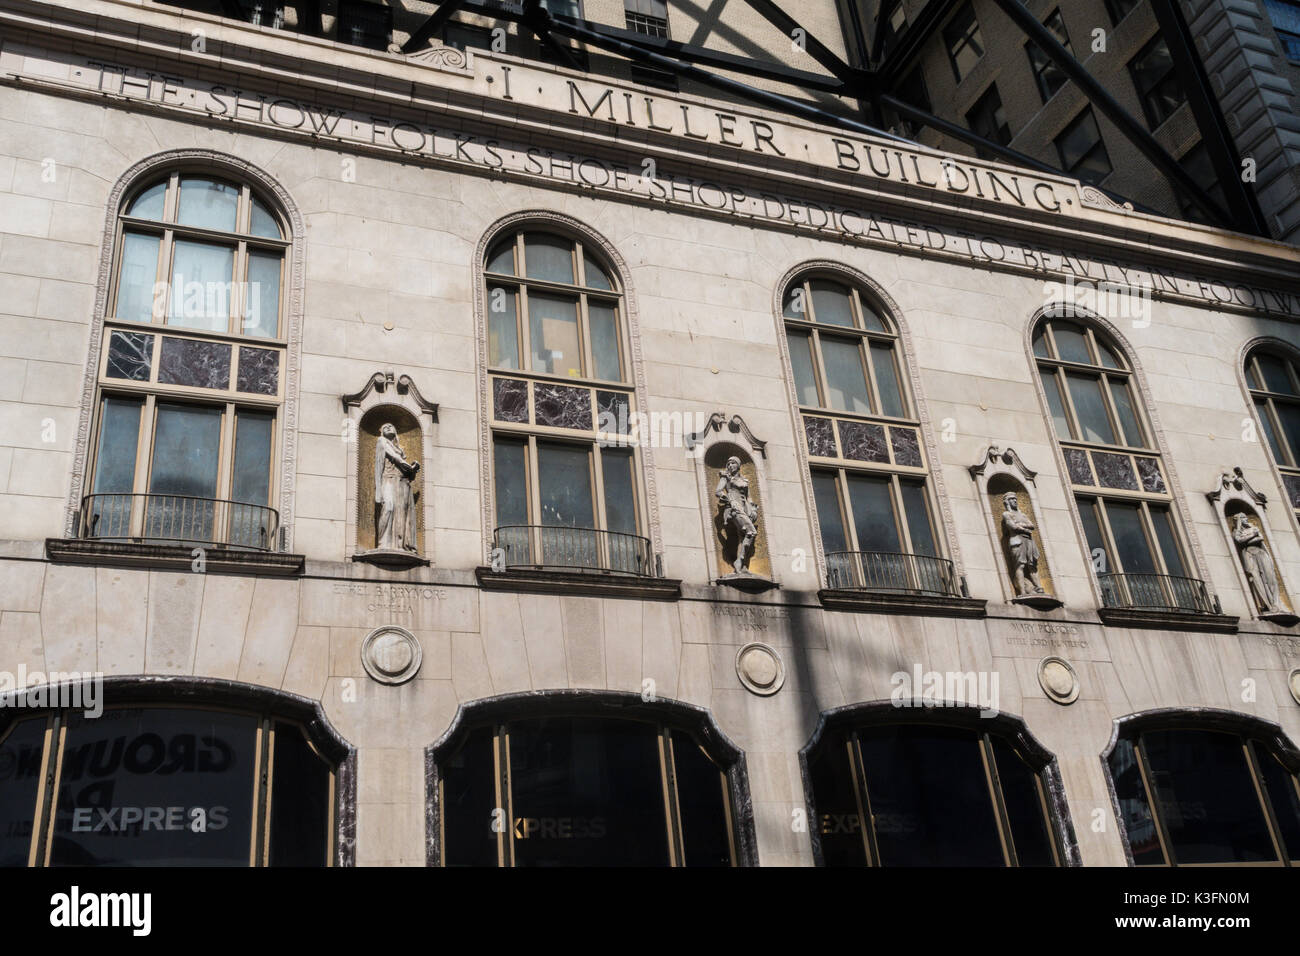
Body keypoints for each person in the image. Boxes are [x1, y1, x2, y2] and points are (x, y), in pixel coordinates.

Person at [375, 423, 420, 552]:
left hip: (402, 482)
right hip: (388, 479)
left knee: (401, 513)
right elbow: (394, 457)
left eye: (390, 426)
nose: (388, 428)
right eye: (384, 427)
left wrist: (412, 470)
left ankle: (400, 545)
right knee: (388, 507)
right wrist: (407, 465)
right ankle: (383, 543)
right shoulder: (382, 441)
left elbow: (406, 472)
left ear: (395, 431)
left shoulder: (400, 448)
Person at [715, 455, 759, 574]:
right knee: (751, 532)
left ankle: (742, 566)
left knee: (742, 537)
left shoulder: (744, 480)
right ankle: (739, 560)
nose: (730, 466)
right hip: (734, 508)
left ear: (738, 465)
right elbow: (718, 491)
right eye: (728, 464)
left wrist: (753, 509)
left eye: (733, 463)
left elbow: (748, 496)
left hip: (745, 508)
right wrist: (728, 499)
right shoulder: (726, 477)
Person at [1233, 512, 1280, 612]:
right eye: (1243, 518)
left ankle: (1275, 603)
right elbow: (1239, 540)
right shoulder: (1237, 531)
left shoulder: (1254, 528)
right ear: (1239, 520)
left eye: (1246, 517)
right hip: (1249, 555)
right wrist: (1253, 536)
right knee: (1256, 579)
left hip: (1261, 553)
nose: (1246, 519)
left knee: (1270, 576)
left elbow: (1260, 538)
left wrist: (1249, 538)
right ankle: (1267, 605)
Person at [1002, 491, 1045, 596]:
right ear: (1007, 501)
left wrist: (1021, 525)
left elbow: (1032, 525)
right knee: (1020, 566)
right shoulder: (1007, 514)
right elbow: (1013, 527)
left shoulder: (1022, 514)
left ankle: (1039, 588)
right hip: (1017, 541)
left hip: (1029, 541)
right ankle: (1022, 591)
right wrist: (1025, 529)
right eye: (1012, 499)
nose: (1015, 500)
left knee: (1032, 565)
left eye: (1015, 498)